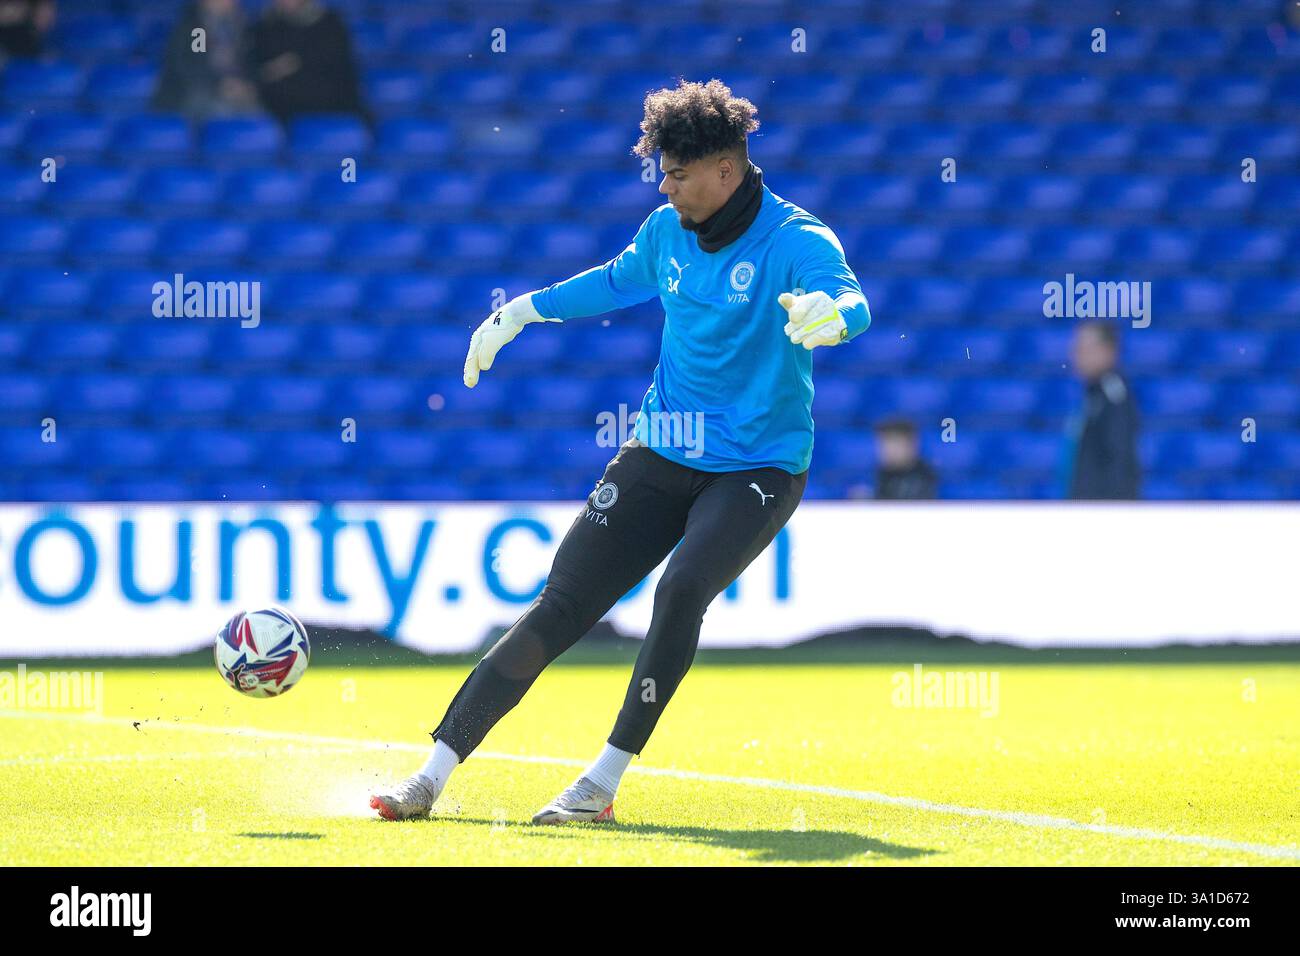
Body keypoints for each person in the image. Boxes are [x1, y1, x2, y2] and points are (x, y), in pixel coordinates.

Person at [370, 78, 871, 825]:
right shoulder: (666, 232)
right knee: (560, 605)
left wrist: (835, 317)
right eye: (662, 171)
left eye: (677, 172)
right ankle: (430, 776)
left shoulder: (797, 240)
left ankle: (599, 784)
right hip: (663, 446)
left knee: (680, 591)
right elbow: (612, 283)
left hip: (758, 466)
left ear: (726, 171)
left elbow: (849, 297)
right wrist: (520, 313)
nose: (664, 185)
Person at [247, 0, 366, 124]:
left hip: (330, 98)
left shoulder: (330, 22)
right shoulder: (265, 27)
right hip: (285, 104)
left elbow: (337, 63)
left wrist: (293, 63)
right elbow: (263, 68)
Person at [1066, 321, 1140, 500]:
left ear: (1108, 351)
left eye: (1084, 349)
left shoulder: (1114, 396)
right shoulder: (1093, 395)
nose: (1076, 356)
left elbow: (1119, 461)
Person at [153, 0, 258, 120]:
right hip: (195, 91)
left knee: (257, 115)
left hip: (232, 87)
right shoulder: (196, 27)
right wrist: (221, 85)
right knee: (219, 110)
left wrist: (245, 84)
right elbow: (195, 67)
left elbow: (250, 60)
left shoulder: (240, 25)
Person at [873, 418, 938, 499]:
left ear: (912, 444)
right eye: (884, 443)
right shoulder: (879, 476)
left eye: (895, 442)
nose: (889, 449)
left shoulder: (927, 478)